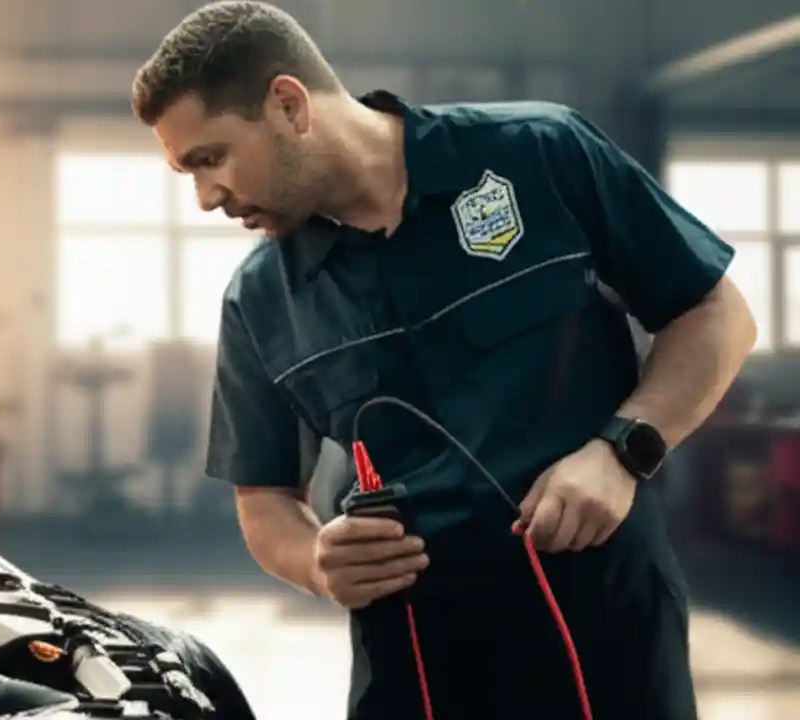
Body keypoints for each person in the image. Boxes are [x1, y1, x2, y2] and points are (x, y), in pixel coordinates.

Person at [130, 2, 758, 719]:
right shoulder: (260, 301)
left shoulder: (536, 154)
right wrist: (315, 563)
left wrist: (622, 451)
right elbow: (264, 499)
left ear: (288, 104)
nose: (206, 197)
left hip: (603, 628)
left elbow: (717, 314)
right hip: (415, 661)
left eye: (210, 158)